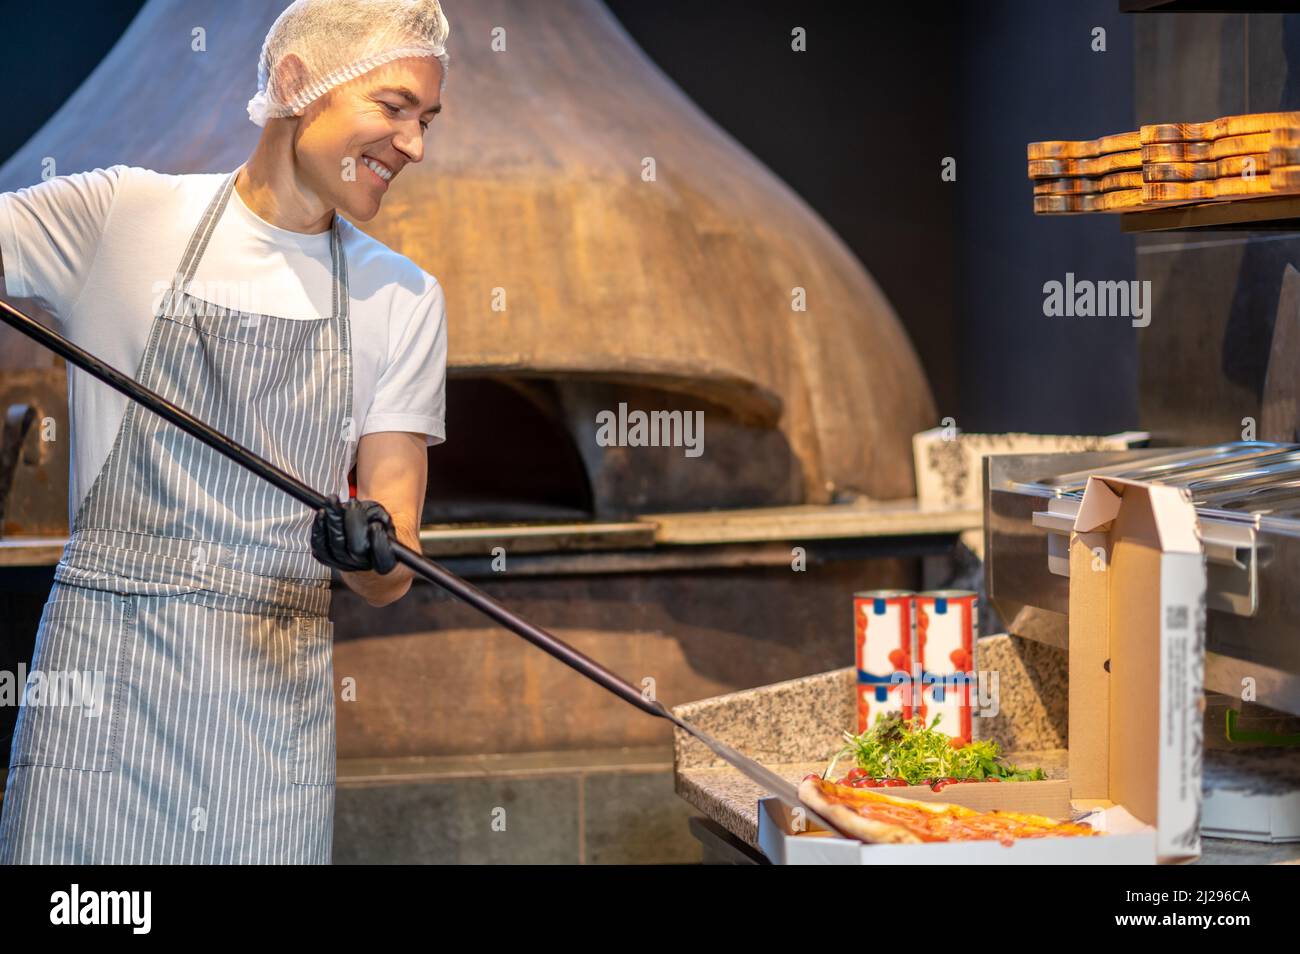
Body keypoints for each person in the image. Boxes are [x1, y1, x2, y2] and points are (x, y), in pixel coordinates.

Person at [0, 0, 452, 864]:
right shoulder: (121, 217)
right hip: (101, 695)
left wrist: (368, 554)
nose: (415, 146)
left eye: (426, 121)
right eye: (394, 108)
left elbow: (395, 574)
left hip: (267, 706)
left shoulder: (402, 298)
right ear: (296, 83)